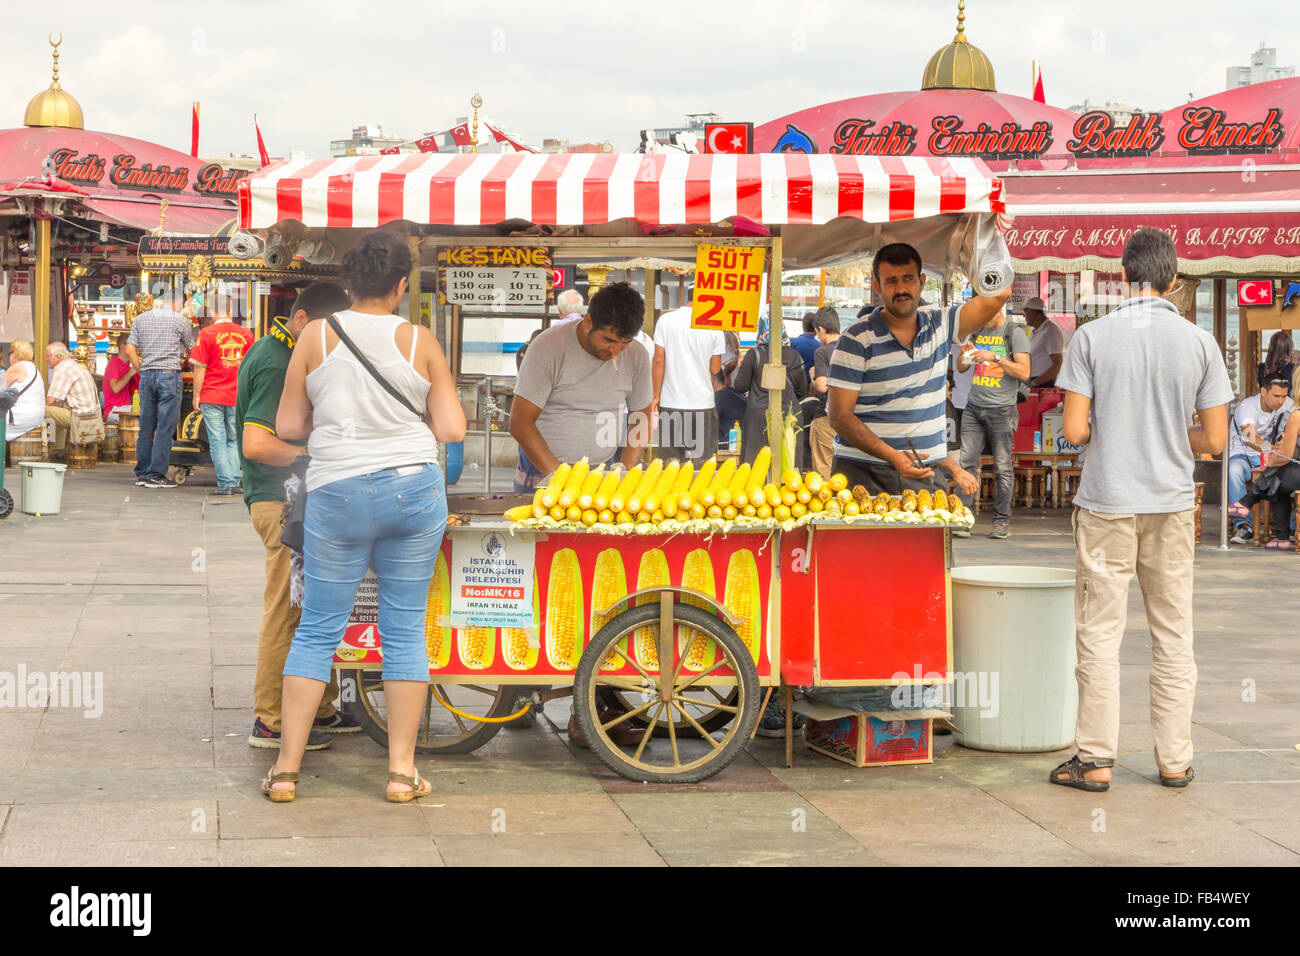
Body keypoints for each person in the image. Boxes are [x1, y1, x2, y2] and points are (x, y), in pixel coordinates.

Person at [261, 231, 466, 803]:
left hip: (338, 492)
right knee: (403, 633)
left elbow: (290, 427)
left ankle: (285, 773)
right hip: (412, 491)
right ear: (402, 285)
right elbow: (451, 430)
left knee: (318, 631)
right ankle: (401, 773)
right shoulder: (420, 340)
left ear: (349, 282)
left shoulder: (316, 337)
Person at [1051, 227, 1231, 793]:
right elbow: (1217, 441)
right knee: (1174, 634)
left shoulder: (1092, 338)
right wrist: (1171, 433)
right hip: (1172, 506)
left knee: (1100, 635)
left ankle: (1095, 760)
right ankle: (1175, 760)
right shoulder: (1199, 343)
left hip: (1107, 504)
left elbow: (1075, 429)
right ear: (1174, 280)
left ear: (1122, 276)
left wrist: (1118, 423)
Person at [237, 281, 357, 752]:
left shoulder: (284, 349)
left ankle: (319, 707)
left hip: (294, 496)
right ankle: (270, 718)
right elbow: (257, 444)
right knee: (287, 608)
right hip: (278, 499)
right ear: (303, 319)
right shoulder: (275, 360)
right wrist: (314, 452)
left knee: (310, 606)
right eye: (328, 331)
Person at [826, 243, 1009, 496]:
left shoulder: (942, 324)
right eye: (891, 281)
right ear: (877, 287)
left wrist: (988, 236)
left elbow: (999, 295)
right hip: (862, 475)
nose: (901, 288)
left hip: (925, 475)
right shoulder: (856, 339)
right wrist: (893, 456)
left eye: (908, 279)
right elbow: (839, 417)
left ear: (921, 282)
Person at [508, 282, 653, 490]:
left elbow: (642, 416)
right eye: (608, 340)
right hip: (541, 472)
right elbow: (520, 423)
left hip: (603, 472)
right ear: (587, 321)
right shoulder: (547, 347)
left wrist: (626, 469)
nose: (616, 351)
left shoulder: (637, 355)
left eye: (625, 343)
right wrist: (559, 478)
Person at [954, 309, 1031, 538]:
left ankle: (1001, 521)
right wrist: (965, 354)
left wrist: (995, 357)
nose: (979, 314)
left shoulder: (1014, 333)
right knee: (966, 462)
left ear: (997, 308)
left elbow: (1024, 372)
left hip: (1002, 409)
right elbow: (961, 367)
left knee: (1002, 466)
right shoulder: (976, 332)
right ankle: (963, 518)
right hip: (974, 405)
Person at [124, 291, 196, 488]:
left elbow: (129, 349)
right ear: (178, 302)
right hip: (169, 375)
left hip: (147, 376)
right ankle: (156, 473)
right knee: (165, 427)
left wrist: (142, 370)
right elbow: (193, 349)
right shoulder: (180, 321)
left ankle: (143, 472)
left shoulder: (140, 319)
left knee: (146, 426)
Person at [190, 310, 254, 496]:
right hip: (237, 395)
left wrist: (196, 394)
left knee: (217, 440)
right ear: (231, 311)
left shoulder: (207, 334)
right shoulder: (246, 334)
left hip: (212, 394)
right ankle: (234, 481)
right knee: (234, 439)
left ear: (213, 312)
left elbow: (199, 367)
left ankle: (225, 484)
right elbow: (251, 366)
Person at [651, 301, 723, 463]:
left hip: (671, 403)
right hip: (703, 405)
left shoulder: (666, 321)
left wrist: (656, 395)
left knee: (670, 466)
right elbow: (715, 368)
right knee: (701, 467)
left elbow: (658, 359)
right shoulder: (714, 324)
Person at [732, 314, 807, 465]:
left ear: (761, 329)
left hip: (758, 418)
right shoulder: (794, 355)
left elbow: (740, 386)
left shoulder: (754, 354)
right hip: (789, 416)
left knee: (755, 468)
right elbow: (802, 389)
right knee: (788, 466)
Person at [1226, 375, 1293, 543]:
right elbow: (1250, 438)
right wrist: (1270, 448)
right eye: (1276, 396)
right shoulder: (1248, 407)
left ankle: (1292, 528)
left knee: (1292, 475)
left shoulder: (1288, 405)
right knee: (1233, 471)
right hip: (1244, 455)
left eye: (1284, 396)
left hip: (1273, 457)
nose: (1281, 401)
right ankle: (1244, 527)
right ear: (1264, 392)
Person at [44, 342, 104, 456]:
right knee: (55, 411)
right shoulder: (73, 365)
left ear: (58, 357)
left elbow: (50, 401)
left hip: (79, 417)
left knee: (42, 410)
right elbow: (57, 401)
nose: (46, 359)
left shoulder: (62, 369)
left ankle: (46, 448)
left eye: (48, 356)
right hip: (91, 416)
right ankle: (58, 448)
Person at [808, 307, 842, 478]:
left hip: (826, 418)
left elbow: (822, 386)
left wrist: (813, 376)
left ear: (821, 329)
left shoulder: (823, 352)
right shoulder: (851, 348)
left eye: (817, 332)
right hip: (852, 418)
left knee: (824, 473)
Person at [3, 340, 45, 440]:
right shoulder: (33, 368)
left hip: (19, 419)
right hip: (35, 417)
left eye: (9, 353)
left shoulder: (18, 367)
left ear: (14, 354)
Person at [1024, 297, 1065, 388]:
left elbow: (1057, 364)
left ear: (1033, 313)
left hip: (1043, 383)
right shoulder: (1035, 331)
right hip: (1033, 380)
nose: (1024, 315)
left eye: (1026, 311)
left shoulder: (1050, 331)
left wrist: (1035, 383)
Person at [102, 337, 138, 422]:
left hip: (125, 409)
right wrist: (130, 373)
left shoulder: (126, 365)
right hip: (114, 410)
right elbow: (115, 388)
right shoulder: (114, 364)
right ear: (123, 346)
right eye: (133, 345)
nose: (135, 348)